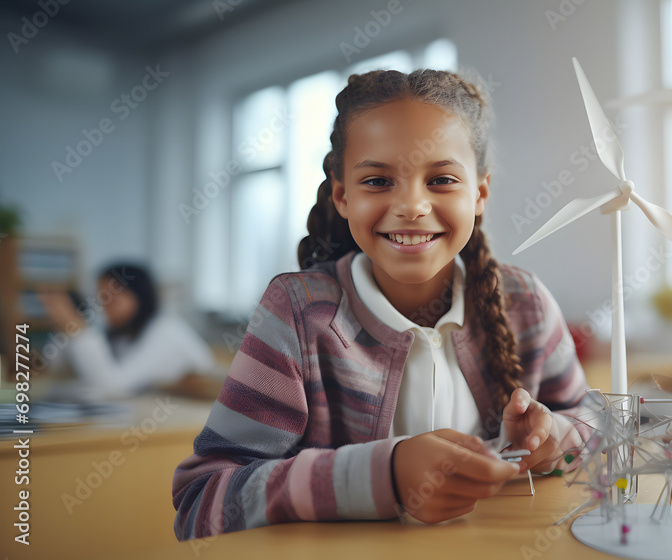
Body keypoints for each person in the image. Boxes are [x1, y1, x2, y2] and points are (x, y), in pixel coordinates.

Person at [171, 69, 594, 540]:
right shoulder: (297, 313)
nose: (411, 205)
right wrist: (383, 476)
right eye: (377, 180)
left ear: (479, 194)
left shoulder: (526, 303)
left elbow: (594, 423)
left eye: (441, 180)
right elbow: (202, 501)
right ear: (342, 195)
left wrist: (555, 438)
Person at [38, 263, 216, 399]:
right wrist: (65, 329)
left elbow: (115, 387)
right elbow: (62, 370)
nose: (105, 308)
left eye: (112, 300)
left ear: (139, 296)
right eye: (102, 299)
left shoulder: (166, 330)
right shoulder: (123, 334)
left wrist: (77, 330)